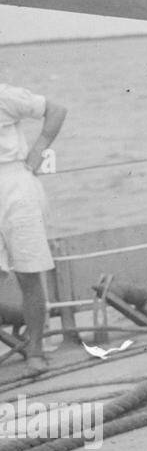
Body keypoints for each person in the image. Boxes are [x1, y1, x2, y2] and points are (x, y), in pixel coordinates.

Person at [0, 83, 67, 374]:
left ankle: (36, 350)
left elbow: (55, 110)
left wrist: (39, 149)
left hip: (15, 183)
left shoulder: (4, 95)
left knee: (29, 272)